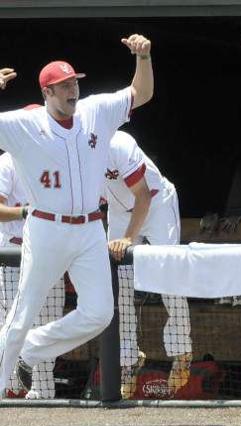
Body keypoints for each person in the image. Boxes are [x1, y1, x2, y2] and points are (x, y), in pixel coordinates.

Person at [0, 34, 154, 394]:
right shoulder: (25, 124)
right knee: (21, 315)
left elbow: (141, 93)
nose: (72, 90)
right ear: (47, 92)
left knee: (100, 313)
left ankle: (33, 349)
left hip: (89, 228)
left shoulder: (94, 111)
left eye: (74, 83)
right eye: (64, 85)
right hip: (46, 228)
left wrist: (143, 58)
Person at [103, 130, 192, 398]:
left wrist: (128, 238)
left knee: (168, 275)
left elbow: (143, 196)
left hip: (156, 203)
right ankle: (128, 360)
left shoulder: (120, 143)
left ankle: (181, 352)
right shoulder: (74, 151)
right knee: (118, 286)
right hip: (119, 211)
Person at [0, 147, 61, 399]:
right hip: (14, 250)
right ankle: (8, 385)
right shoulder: (7, 162)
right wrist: (27, 212)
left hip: (49, 251)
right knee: (15, 320)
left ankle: (42, 390)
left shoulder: (54, 159)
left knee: (49, 320)